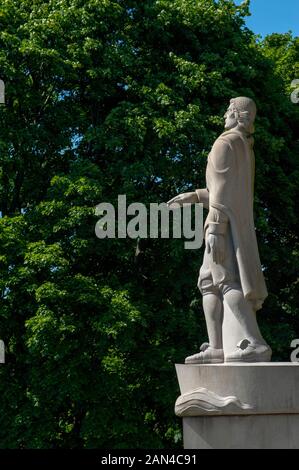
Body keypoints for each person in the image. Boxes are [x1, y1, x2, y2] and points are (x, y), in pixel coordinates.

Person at [167, 97, 272, 363]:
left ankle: (256, 343)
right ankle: (216, 348)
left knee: (224, 281)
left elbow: (223, 192)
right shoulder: (244, 146)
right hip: (229, 222)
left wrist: (214, 229)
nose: (224, 115)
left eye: (229, 111)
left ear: (239, 115)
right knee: (208, 282)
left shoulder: (225, 143)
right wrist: (193, 195)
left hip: (221, 224)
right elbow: (223, 189)